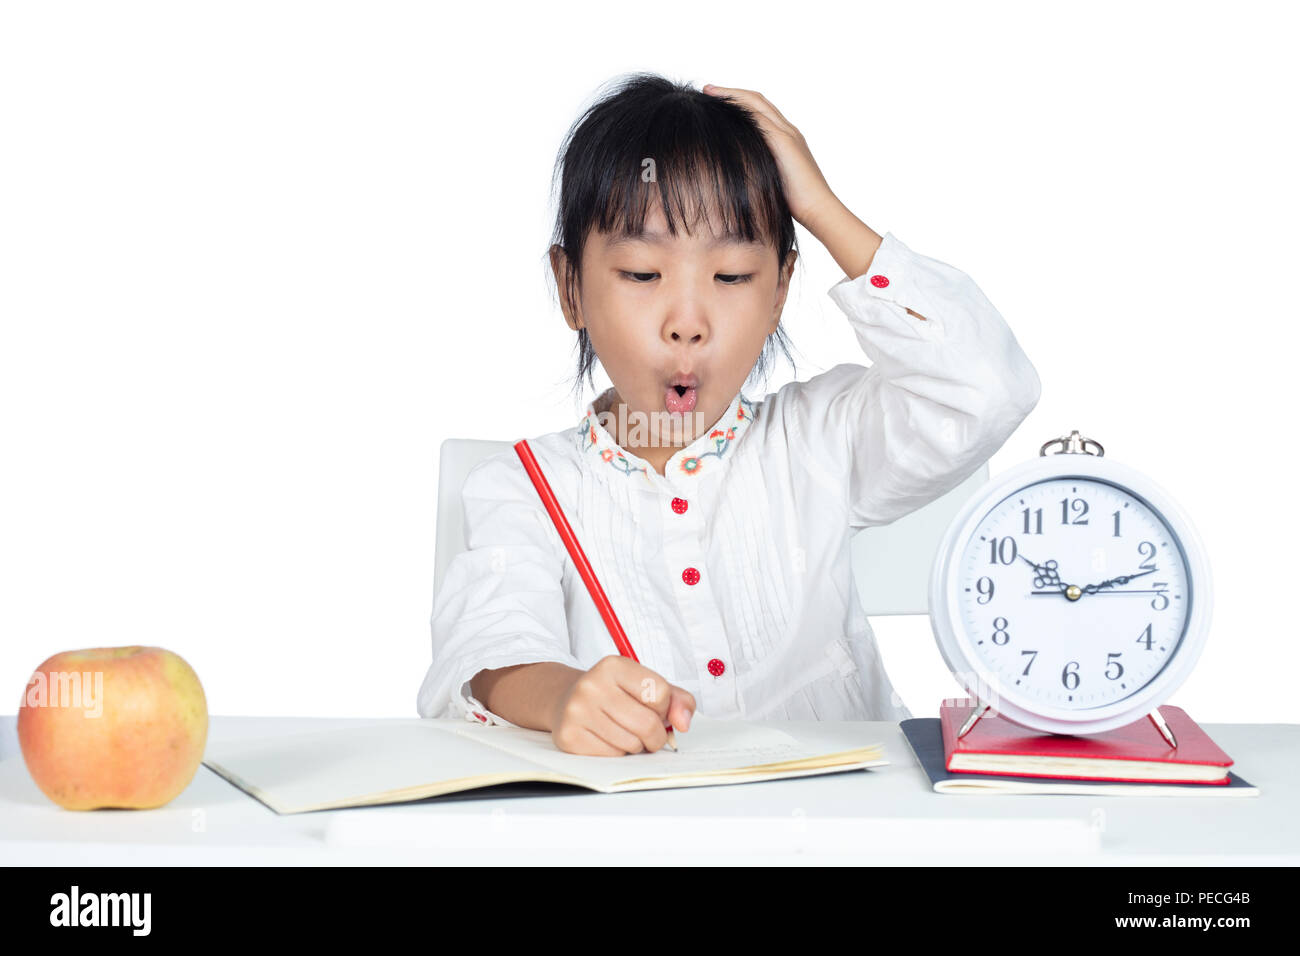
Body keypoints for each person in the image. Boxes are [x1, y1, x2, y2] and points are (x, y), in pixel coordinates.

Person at [416, 73, 1041, 756]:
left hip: (851, 820)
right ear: (572, 288)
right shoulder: (522, 486)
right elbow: (488, 646)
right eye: (642, 275)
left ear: (779, 292)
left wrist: (823, 207)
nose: (688, 323)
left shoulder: (820, 438)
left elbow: (984, 386)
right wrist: (566, 695)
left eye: (734, 277)